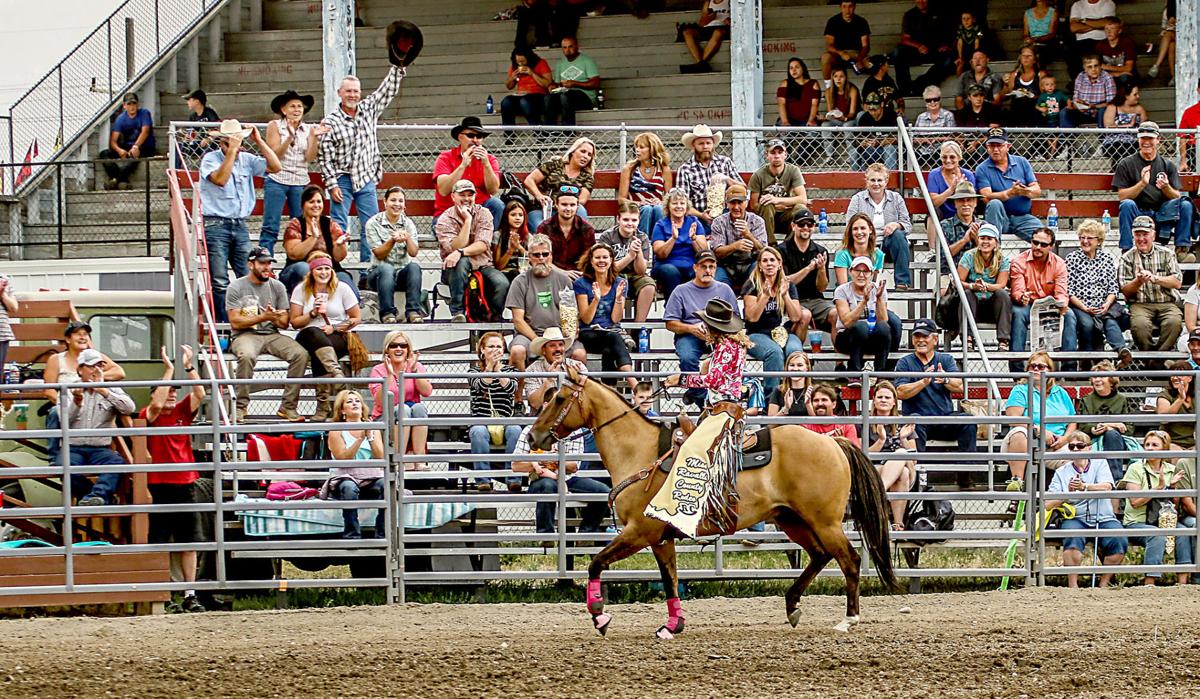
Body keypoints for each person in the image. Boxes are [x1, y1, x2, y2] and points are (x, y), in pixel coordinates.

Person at [142, 344, 206, 613]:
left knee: (189, 541)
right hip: (159, 484)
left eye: (174, 392)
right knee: (161, 540)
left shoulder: (182, 411)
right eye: (168, 390)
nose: (171, 395)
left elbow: (200, 393)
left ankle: (190, 593)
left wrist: (189, 367)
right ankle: (164, 593)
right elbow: (156, 404)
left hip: (185, 482)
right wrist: (168, 369)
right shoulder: (151, 415)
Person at [318, 66, 406, 262]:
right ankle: (334, 266)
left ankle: (369, 268)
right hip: (342, 179)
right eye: (348, 91)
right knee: (339, 225)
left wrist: (398, 68)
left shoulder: (368, 109)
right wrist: (331, 184)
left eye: (356, 91)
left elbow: (387, 90)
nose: (352, 95)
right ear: (339, 93)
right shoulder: (330, 122)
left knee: (372, 224)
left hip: (366, 178)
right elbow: (325, 156)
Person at [199, 120, 283, 322]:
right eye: (231, 142)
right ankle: (224, 325)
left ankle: (249, 320)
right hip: (215, 224)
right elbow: (220, 179)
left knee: (248, 274)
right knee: (220, 280)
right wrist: (231, 152)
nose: (237, 147)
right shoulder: (210, 159)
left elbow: (275, 166)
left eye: (239, 142)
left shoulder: (247, 159)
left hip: (240, 223)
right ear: (222, 143)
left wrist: (259, 141)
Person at [226, 247, 309, 423]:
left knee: (300, 354)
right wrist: (263, 316)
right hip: (244, 335)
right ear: (251, 264)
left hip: (272, 333)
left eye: (269, 263)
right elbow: (235, 322)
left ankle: (288, 407)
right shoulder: (236, 286)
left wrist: (274, 318)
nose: (267, 267)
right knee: (246, 355)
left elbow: (285, 322)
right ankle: (240, 407)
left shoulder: (277, 286)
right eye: (262, 263)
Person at [1045, 430, 1126, 588]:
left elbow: (1108, 487)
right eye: (1072, 446)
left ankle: (1104, 583)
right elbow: (1048, 503)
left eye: (1080, 446)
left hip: (1103, 516)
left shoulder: (1100, 463)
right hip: (1076, 517)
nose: (1075, 450)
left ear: (1089, 448)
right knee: (1072, 537)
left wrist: (1085, 487)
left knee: (1119, 539)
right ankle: (1073, 586)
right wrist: (1068, 493)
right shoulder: (1062, 472)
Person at [288, 252, 360, 422]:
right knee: (314, 333)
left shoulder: (342, 288)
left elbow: (356, 317)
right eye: (319, 269)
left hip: (337, 335)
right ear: (312, 272)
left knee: (319, 351)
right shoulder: (301, 290)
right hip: (309, 334)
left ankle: (323, 407)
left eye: (327, 269)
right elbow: (295, 322)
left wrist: (334, 327)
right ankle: (336, 374)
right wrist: (312, 313)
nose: (324, 273)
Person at [42, 320, 126, 463]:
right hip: (67, 402)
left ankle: (106, 453)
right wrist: (66, 403)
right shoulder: (56, 359)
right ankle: (55, 457)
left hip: (94, 403)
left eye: (86, 334)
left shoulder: (96, 357)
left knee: (106, 411)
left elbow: (119, 372)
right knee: (57, 412)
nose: (82, 337)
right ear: (68, 339)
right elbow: (48, 390)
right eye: (77, 334)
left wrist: (93, 378)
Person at [663, 252, 739, 407]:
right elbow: (670, 323)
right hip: (690, 334)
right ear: (695, 268)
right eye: (703, 266)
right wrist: (691, 328)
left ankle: (699, 392)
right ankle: (703, 401)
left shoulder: (725, 289)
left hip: (720, 335)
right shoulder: (681, 290)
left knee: (728, 359)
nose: (708, 270)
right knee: (687, 357)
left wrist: (720, 332)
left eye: (712, 267)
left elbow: (736, 319)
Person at [894, 319, 976, 459]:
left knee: (968, 420)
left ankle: (966, 475)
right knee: (914, 421)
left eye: (925, 336)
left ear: (935, 339)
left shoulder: (946, 359)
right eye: (917, 336)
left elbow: (960, 386)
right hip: (919, 421)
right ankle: (918, 476)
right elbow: (900, 392)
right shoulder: (905, 362)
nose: (920, 340)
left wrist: (945, 379)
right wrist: (923, 382)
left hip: (944, 419)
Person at [1121, 430, 1195, 586]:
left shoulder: (1170, 469)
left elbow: (1173, 506)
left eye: (1155, 445)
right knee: (1157, 535)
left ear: (1164, 449)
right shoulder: (1135, 468)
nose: (1149, 448)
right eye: (1147, 445)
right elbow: (1134, 502)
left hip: (1163, 519)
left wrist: (1172, 488)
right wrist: (1159, 488)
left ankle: (1183, 583)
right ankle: (1150, 582)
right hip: (1137, 521)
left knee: (1183, 532)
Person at [65, 349, 137, 507]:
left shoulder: (110, 387)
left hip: (100, 448)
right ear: (80, 370)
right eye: (91, 366)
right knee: (63, 467)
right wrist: (77, 402)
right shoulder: (68, 389)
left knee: (117, 462)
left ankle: (97, 496)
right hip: (74, 448)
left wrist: (104, 391)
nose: (96, 370)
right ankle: (94, 496)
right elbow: (64, 420)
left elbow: (129, 408)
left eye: (100, 366)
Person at [1113, 122, 1195, 257]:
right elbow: (1122, 196)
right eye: (1143, 138)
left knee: (1185, 204)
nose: (1146, 142)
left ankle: (1182, 250)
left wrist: (1166, 187)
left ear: (1158, 140)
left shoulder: (1167, 165)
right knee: (1127, 204)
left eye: (1150, 138)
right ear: (1138, 139)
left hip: (1162, 213)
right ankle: (1126, 251)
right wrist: (1142, 183)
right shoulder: (1126, 163)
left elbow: (1176, 196)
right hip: (1138, 212)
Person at [513, 421, 609, 536]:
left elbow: (573, 466)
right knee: (548, 487)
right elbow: (516, 465)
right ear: (544, 406)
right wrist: (539, 461)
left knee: (603, 492)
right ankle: (546, 535)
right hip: (540, 478)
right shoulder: (531, 429)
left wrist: (553, 459)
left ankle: (586, 534)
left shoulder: (575, 431)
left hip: (567, 478)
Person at [435, 179, 510, 323]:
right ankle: (457, 312)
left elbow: (482, 244)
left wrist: (461, 252)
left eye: (470, 195)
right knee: (461, 262)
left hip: (483, 265)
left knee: (502, 283)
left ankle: (493, 318)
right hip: (454, 270)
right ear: (453, 196)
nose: (467, 199)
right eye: (462, 195)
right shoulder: (445, 218)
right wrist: (468, 221)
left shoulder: (484, 213)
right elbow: (454, 247)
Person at [506, 234, 583, 371]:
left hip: (559, 336)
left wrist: (569, 333)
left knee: (579, 354)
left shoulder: (564, 280)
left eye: (545, 254)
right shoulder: (520, 281)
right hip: (530, 335)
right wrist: (539, 341)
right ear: (529, 257)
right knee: (517, 351)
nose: (541, 258)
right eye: (536, 255)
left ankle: (573, 392)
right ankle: (518, 392)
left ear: (551, 256)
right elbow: (518, 320)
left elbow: (571, 314)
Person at [260, 90, 323, 255]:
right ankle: (265, 259)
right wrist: (289, 137)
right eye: (292, 106)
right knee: (271, 224)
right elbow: (274, 155)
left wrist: (315, 139)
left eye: (300, 106)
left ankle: (297, 258)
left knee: (299, 223)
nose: (297, 109)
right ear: (283, 109)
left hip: (299, 181)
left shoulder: (309, 129)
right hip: (277, 179)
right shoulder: (274, 126)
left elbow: (309, 158)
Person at [1003, 352, 1078, 488]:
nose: (1036, 369)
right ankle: (1017, 484)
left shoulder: (1060, 392)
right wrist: (1039, 430)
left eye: (1041, 366)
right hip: (1028, 443)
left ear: (1050, 370)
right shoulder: (1020, 390)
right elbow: (1013, 418)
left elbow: (1072, 420)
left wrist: (1065, 439)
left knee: (1080, 453)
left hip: (1056, 446)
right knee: (1019, 432)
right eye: (1032, 366)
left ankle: (1067, 500)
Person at [663, 298, 753, 408]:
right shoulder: (734, 345)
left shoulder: (726, 348)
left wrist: (681, 379)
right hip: (727, 403)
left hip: (722, 405)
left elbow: (713, 380)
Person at [832, 213, 903, 350]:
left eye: (863, 228)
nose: (859, 232)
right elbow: (843, 285)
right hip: (847, 299)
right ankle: (840, 361)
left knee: (895, 323)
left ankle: (889, 362)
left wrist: (873, 301)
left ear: (870, 230)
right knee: (840, 317)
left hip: (871, 300)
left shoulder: (878, 255)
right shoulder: (842, 254)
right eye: (855, 229)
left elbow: (874, 284)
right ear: (850, 232)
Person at [743, 246, 809, 394]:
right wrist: (765, 296)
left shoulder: (788, 284)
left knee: (795, 352)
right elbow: (752, 317)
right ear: (759, 265)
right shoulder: (752, 285)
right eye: (765, 260)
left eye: (772, 260)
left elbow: (796, 317)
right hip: (756, 334)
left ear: (779, 263)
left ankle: (797, 397)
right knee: (774, 353)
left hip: (781, 333)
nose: (769, 264)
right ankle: (772, 399)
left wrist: (785, 295)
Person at [1065, 219, 1133, 363]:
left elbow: (1113, 288)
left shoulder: (1106, 258)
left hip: (1104, 305)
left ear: (1099, 241)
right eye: (1082, 238)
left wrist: (1106, 305)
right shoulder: (1072, 259)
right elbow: (1069, 291)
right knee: (1087, 324)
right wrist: (1085, 307)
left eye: (1089, 238)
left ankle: (1121, 350)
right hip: (1080, 305)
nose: (1085, 241)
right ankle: (1089, 361)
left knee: (1109, 319)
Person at [938, 222, 1011, 350]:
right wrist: (972, 286)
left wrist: (986, 286)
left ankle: (1003, 340)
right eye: (982, 238)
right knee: (967, 293)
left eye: (989, 239)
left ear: (996, 242)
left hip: (991, 306)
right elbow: (957, 282)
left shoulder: (1003, 260)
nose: (985, 242)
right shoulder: (969, 256)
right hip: (970, 305)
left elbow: (1001, 284)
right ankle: (968, 338)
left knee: (1003, 294)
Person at [574, 243, 636, 387]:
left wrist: (619, 298)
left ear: (611, 260)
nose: (601, 261)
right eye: (597, 257)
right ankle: (634, 382)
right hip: (589, 333)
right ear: (591, 260)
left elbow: (615, 319)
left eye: (605, 257)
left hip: (611, 333)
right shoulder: (581, 283)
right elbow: (586, 319)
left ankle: (609, 390)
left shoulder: (620, 282)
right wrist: (596, 299)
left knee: (610, 350)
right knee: (614, 338)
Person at [1119, 216, 1183, 352]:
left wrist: (1154, 278)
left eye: (1145, 234)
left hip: (1167, 303)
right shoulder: (1127, 257)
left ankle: (1155, 362)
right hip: (1139, 304)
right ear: (1133, 236)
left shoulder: (1167, 254)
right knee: (1139, 326)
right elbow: (1125, 291)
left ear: (1153, 234)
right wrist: (1138, 281)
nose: (1141, 238)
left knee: (1174, 323)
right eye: (1137, 234)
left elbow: (1177, 282)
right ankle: (1154, 363)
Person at [328, 389, 386, 538]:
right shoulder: (336, 430)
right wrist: (360, 439)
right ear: (342, 410)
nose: (354, 403)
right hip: (345, 476)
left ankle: (383, 533)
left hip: (368, 477)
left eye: (357, 401)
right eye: (349, 401)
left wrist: (370, 437)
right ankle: (352, 534)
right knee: (349, 487)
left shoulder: (373, 428)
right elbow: (343, 458)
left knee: (385, 485)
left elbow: (380, 457)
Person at [468, 332, 522, 493]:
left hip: (505, 419)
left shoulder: (511, 371)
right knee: (477, 431)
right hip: (481, 419)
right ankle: (483, 480)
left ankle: (513, 479)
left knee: (516, 430)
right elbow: (481, 386)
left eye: (498, 347)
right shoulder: (473, 372)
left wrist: (498, 370)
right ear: (482, 350)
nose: (495, 350)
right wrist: (490, 367)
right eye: (491, 346)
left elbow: (511, 388)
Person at [846, 163, 914, 290]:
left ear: (886, 181)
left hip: (888, 245)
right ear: (866, 181)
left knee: (899, 235)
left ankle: (902, 282)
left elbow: (907, 225)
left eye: (879, 180)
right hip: (865, 244)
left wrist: (896, 224)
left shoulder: (896, 198)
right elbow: (850, 224)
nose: (876, 184)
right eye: (872, 180)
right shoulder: (858, 199)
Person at [1009, 227, 1071, 364]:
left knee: (1070, 315)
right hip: (1027, 303)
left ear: (1051, 246)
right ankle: (1016, 370)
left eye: (1043, 245)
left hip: (1050, 303)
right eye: (1035, 242)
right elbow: (1017, 290)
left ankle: (1069, 368)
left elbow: (1061, 292)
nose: (1038, 247)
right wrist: (1022, 296)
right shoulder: (1019, 261)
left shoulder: (1059, 264)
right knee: (1018, 314)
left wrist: (1062, 303)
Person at [365, 186, 424, 324]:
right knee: (386, 268)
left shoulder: (408, 223)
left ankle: (413, 311)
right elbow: (379, 254)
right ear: (385, 202)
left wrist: (408, 238)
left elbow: (413, 253)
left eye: (401, 201)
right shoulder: (373, 223)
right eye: (393, 200)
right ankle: (387, 313)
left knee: (414, 267)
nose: (397, 204)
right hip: (378, 275)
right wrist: (392, 240)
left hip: (401, 274)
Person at [432, 117, 505, 227]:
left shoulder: (490, 160)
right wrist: (463, 165)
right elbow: (443, 190)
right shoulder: (445, 157)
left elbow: (493, 190)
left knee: (496, 204)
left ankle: (487, 241)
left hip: (479, 213)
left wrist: (486, 164)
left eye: (479, 136)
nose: (475, 140)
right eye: (470, 136)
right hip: (449, 214)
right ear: (460, 137)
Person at [280, 184, 353, 294]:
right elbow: (294, 254)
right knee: (304, 268)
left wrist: (339, 245)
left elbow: (338, 258)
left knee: (344, 279)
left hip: (327, 269)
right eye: (311, 202)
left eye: (319, 201)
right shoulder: (295, 224)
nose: (316, 205)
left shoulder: (331, 224)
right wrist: (313, 237)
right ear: (303, 204)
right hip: (297, 269)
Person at [370, 330, 431, 459]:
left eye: (403, 346)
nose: (399, 349)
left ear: (408, 350)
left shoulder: (416, 366)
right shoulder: (378, 370)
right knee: (403, 409)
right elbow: (381, 401)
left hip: (410, 414)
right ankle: (399, 459)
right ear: (387, 349)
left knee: (419, 408)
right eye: (393, 345)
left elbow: (427, 392)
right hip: (385, 417)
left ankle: (419, 459)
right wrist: (390, 375)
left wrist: (414, 371)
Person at [975, 128, 1043, 242]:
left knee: (1044, 237)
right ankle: (994, 251)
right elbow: (986, 196)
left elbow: (1037, 190)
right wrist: (1009, 193)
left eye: (1000, 145)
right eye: (992, 146)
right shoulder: (982, 169)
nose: (995, 150)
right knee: (994, 203)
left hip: (1023, 218)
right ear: (987, 147)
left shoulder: (1022, 162)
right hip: (999, 218)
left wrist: (1024, 191)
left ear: (1008, 146)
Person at [778, 208, 835, 336]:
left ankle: (840, 351)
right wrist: (808, 268)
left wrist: (821, 270)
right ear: (793, 226)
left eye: (809, 224)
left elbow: (821, 288)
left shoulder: (821, 251)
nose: (805, 227)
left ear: (814, 227)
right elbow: (785, 282)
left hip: (815, 299)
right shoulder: (781, 250)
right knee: (804, 315)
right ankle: (797, 354)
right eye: (801, 224)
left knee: (836, 314)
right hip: (790, 299)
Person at [675, 125, 741, 234]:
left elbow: (742, 188)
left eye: (708, 143)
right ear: (694, 145)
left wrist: (727, 179)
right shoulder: (685, 169)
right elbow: (682, 203)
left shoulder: (725, 162)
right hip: (699, 216)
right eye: (701, 143)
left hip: (726, 214)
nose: (705, 146)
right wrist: (701, 215)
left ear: (713, 144)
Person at [596, 201, 655, 323]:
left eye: (634, 220)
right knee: (619, 282)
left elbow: (641, 271)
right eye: (626, 220)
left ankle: (639, 327)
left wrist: (638, 253)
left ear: (639, 221)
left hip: (634, 276)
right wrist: (630, 256)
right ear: (618, 219)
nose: (630, 224)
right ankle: (614, 324)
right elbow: (608, 269)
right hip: (612, 276)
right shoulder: (607, 237)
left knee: (648, 285)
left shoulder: (642, 237)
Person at [868, 380, 916, 530]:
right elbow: (863, 457)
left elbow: (913, 459)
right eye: (880, 397)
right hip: (876, 470)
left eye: (887, 398)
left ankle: (878, 492)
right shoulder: (864, 423)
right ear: (874, 400)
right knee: (902, 473)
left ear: (894, 402)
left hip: (905, 469)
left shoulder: (904, 424)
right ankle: (898, 524)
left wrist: (903, 439)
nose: (883, 400)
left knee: (902, 453)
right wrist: (881, 441)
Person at [833, 255, 891, 377]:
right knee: (860, 326)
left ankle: (881, 374)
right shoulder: (841, 290)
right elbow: (847, 322)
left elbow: (883, 320)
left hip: (870, 337)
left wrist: (879, 298)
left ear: (871, 274)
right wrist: (864, 301)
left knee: (884, 328)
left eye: (865, 271)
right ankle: (854, 374)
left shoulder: (878, 289)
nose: (861, 275)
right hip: (847, 338)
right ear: (850, 272)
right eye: (857, 271)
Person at [525, 137, 596, 233]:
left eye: (589, 155)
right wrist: (539, 195)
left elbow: (582, 200)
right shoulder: (555, 164)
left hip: (568, 211)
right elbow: (529, 180)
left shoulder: (587, 177)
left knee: (581, 210)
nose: (585, 156)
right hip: (542, 210)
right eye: (583, 151)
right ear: (573, 151)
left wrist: (563, 205)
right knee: (541, 229)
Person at [748, 139, 809, 247]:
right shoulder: (758, 175)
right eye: (773, 153)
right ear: (767, 155)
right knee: (767, 205)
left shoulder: (793, 170)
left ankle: (787, 245)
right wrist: (774, 205)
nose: (777, 156)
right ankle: (771, 245)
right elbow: (753, 205)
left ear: (785, 154)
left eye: (780, 152)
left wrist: (777, 200)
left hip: (787, 218)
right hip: (766, 220)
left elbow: (803, 199)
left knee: (801, 208)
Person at [1075, 361, 1131, 480]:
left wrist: (1110, 428)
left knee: (1111, 434)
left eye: (1102, 376)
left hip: (1116, 443)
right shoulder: (1087, 400)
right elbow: (1082, 426)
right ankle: (1114, 480)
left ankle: (1114, 479)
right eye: (1095, 376)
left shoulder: (1122, 399)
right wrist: (1104, 426)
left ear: (1111, 380)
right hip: (1093, 441)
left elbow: (1129, 428)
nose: (1097, 380)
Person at [651, 188, 708, 300]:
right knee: (671, 272)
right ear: (668, 206)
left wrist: (694, 238)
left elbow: (703, 251)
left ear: (687, 206)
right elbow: (660, 254)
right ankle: (673, 309)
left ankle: (694, 311)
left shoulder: (694, 222)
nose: (679, 206)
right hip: (666, 265)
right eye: (674, 203)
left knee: (699, 271)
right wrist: (673, 238)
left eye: (682, 203)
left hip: (690, 264)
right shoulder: (661, 225)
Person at [890, 0, 955, 96]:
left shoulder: (940, 13)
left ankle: (920, 85)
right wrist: (918, 46)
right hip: (917, 51)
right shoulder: (909, 15)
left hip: (936, 51)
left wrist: (947, 46)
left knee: (950, 60)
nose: (921, 1)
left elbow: (953, 35)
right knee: (898, 52)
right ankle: (905, 88)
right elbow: (905, 39)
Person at [709, 184, 767, 290]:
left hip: (750, 263)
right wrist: (735, 246)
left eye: (740, 202)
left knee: (759, 277)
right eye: (732, 202)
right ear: (727, 204)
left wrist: (748, 235)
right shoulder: (718, 222)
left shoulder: (757, 221)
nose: (736, 207)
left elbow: (763, 250)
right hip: (726, 265)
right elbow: (717, 252)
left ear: (746, 203)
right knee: (718, 287)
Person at [99, 92, 157, 190]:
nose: (132, 107)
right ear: (124, 106)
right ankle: (122, 180)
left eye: (134, 103)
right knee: (104, 154)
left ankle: (115, 180)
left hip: (144, 146)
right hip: (128, 147)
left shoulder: (144, 113)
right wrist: (119, 150)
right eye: (129, 104)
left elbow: (145, 132)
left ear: (138, 104)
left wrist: (136, 146)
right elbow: (113, 141)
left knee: (135, 155)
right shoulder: (121, 119)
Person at [618, 132, 672, 236]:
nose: (637, 150)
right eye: (636, 147)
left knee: (658, 208)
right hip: (636, 209)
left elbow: (668, 198)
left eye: (642, 147)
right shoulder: (629, 169)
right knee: (646, 209)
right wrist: (639, 203)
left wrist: (660, 201)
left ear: (652, 149)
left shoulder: (664, 169)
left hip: (657, 208)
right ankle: (642, 241)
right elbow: (621, 199)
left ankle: (658, 241)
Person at [537, 184, 597, 275]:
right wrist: (563, 273)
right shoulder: (544, 228)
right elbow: (540, 258)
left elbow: (589, 259)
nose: (568, 208)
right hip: (551, 273)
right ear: (556, 204)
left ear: (577, 206)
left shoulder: (587, 229)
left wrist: (580, 275)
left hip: (578, 275)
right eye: (564, 204)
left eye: (572, 205)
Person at [544, 36, 601, 126]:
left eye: (570, 46)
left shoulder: (587, 61)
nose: (568, 50)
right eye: (565, 47)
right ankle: (549, 133)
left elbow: (596, 83)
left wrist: (575, 83)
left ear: (577, 46)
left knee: (565, 96)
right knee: (548, 98)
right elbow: (558, 83)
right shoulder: (560, 63)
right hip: (564, 95)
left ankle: (568, 132)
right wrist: (553, 86)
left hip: (585, 98)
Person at [501, 47, 553, 134]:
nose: (520, 63)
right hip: (521, 95)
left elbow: (547, 83)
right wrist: (512, 78)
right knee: (506, 102)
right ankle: (509, 135)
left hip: (538, 95)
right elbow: (509, 86)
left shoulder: (541, 63)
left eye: (523, 61)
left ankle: (540, 133)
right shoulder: (514, 66)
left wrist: (531, 73)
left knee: (524, 101)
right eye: (518, 61)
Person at [934, 181, 982, 273]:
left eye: (969, 200)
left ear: (975, 203)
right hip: (950, 273)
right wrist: (964, 240)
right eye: (961, 200)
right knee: (943, 287)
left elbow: (994, 255)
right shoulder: (944, 225)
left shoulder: (984, 226)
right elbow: (941, 255)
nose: (965, 204)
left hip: (978, 273)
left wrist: (977, 239)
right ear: (955, 203)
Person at [927, 141, 978, 222]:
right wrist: (951, 189)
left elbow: (971, 202)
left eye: (952, 157)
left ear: (959, 157)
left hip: (963, 215)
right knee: (933, 212)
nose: (948, 160)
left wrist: (962, 188)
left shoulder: (968, 175)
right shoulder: (934, 174)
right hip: (942, 216)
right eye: (944, 157)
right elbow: (934, 203)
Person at [821, 1, 870, 82]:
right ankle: (828, 87)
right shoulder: (832, 21)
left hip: (856, 54)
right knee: (825, 58)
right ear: (840, 7)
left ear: (854, 6)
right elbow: (829, 45)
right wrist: (841, 53)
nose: (847, 10)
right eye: (844, 6)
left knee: (872, 64)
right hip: (838, 55)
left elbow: (866, 46)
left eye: (850, 6)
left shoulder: (862, 22)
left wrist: (860, 58)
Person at [677, 0, 731, 74]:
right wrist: (710, 17)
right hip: (707, 28)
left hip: (723, 28)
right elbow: (701, 23)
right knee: (687, 32)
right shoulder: (708, 3)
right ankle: (700, 63)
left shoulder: (730, 2)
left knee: (718, 32)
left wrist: (729, 20)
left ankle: (700, 64)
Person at [1067, 0, 1116, 79]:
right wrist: (1098, 24)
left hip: (1102, 39)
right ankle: (1078, 83)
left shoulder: (1108, 3)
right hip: (1081, 41)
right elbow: (1074, 27)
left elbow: (1107, 23)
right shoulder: (1077, 5)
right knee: (1070, 54)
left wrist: (1084, 21)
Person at [1100, 84, 1146, 167]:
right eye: (1135, 94)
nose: (1138, 96)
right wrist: (1129, 125)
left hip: (1134, 141)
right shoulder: (1113, 107)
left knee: (1132, 148)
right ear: (1126, 96)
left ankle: (1119, 171)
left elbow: (1144, 126)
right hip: (1114, 141)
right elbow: (1108, 126)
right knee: (1121, 148)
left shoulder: (1139, 109)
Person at [912, 86, 957, 169]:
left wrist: (935, 139)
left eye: (935, 99)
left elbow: (952, 137)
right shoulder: (920, 117)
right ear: (925, 102)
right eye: (929, 100)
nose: (932, 102)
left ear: (940, 100)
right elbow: (914, 138)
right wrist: (923, 140)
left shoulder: (948, 115)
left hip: (941, 152)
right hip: (923, 152)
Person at [1155, 361, 1197, 450]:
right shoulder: (1165, 395)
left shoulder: (1196, 396)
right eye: (1172, 375)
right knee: (1177, 455)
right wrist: (1180, 399)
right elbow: (1164, 420)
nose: (1174, 378)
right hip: (1172, 441)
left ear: (1189, 378)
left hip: (1194, 442)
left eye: (1179, 375)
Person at [1066, 55, 1116, 128]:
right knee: (1065, 112)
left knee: (1103, 110)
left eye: (1096, 66)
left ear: (1100, 66)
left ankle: (1102, 138)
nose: (1093, 69)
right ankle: (1066, 138)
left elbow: (1112, 103)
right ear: (1085, 68)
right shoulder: (1080, 77)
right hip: (1083, 112)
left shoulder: (1107, 78)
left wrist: (1094, 106)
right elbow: (1075, 99)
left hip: (1100, 112)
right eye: (1089, 67)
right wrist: (1077, 105)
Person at [852, 96, 898, 171]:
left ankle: (890, 178)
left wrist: (879, 143)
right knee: (854, 152)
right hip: (871, 150)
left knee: (889, 148)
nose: (873, 112)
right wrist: (862, 142)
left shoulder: (891, 115)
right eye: (870, 110)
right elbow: (856, 140)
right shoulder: (864, 117)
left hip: (888, 149)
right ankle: (859, 178)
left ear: (882, 104)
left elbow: (898, 138)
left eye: (875, 109)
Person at [1000, 47, 1042, 128]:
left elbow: (1045, 96)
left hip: (1035, 110)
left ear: (1035, 59)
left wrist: (1032, 96)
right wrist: (1005, 84)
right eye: (1023, 55)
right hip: (1017, 110)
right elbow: (1004, 97)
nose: (1026, 58)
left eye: (1029, 55)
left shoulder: (1040, 74)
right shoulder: (1014, 75)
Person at [177, 89, 220, 163]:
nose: (187, 102)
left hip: (211, 144)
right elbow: (191, 132)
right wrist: (187, 136)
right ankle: (176, 170)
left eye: (189, 100)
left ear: (197, 101)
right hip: (197, 144)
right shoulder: (192, 117)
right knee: (178, 146)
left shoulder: (210, 113)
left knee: (211, 147)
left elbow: (217, 128)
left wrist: (209, 138)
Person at [775, 57, 820, 126]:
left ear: (803, 69)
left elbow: (814, 104)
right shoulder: (785, 83)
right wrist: (785, 122)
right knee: (784, 132)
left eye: (797, 67)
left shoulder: (813, 84)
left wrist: (810, 121)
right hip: (789, 120)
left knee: (812, 133)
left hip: (807, 120)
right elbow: (781, 104)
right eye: (791, 68)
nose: (794, 70)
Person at [494, 200, 531, 283]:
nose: (517, 218)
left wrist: (519, 247)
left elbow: (534, 260)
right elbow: (498, 266)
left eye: (521, 215)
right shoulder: (498, 235)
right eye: (513, 215)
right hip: (505, 273)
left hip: (525, 271)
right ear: (506, 216)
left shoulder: (528, 237)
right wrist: (510, 250)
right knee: (515, 274)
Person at [768, 351, 813, 417]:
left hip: (805, 427)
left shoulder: (813, 391)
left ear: (807, 368)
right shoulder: (779, 390)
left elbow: (818, 424)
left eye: (800, 365)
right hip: (784, 427)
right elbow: (771, 424)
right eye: (792, 365)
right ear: (787, 368)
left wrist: (808, 405)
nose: (795, 369)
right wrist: (786, 408)